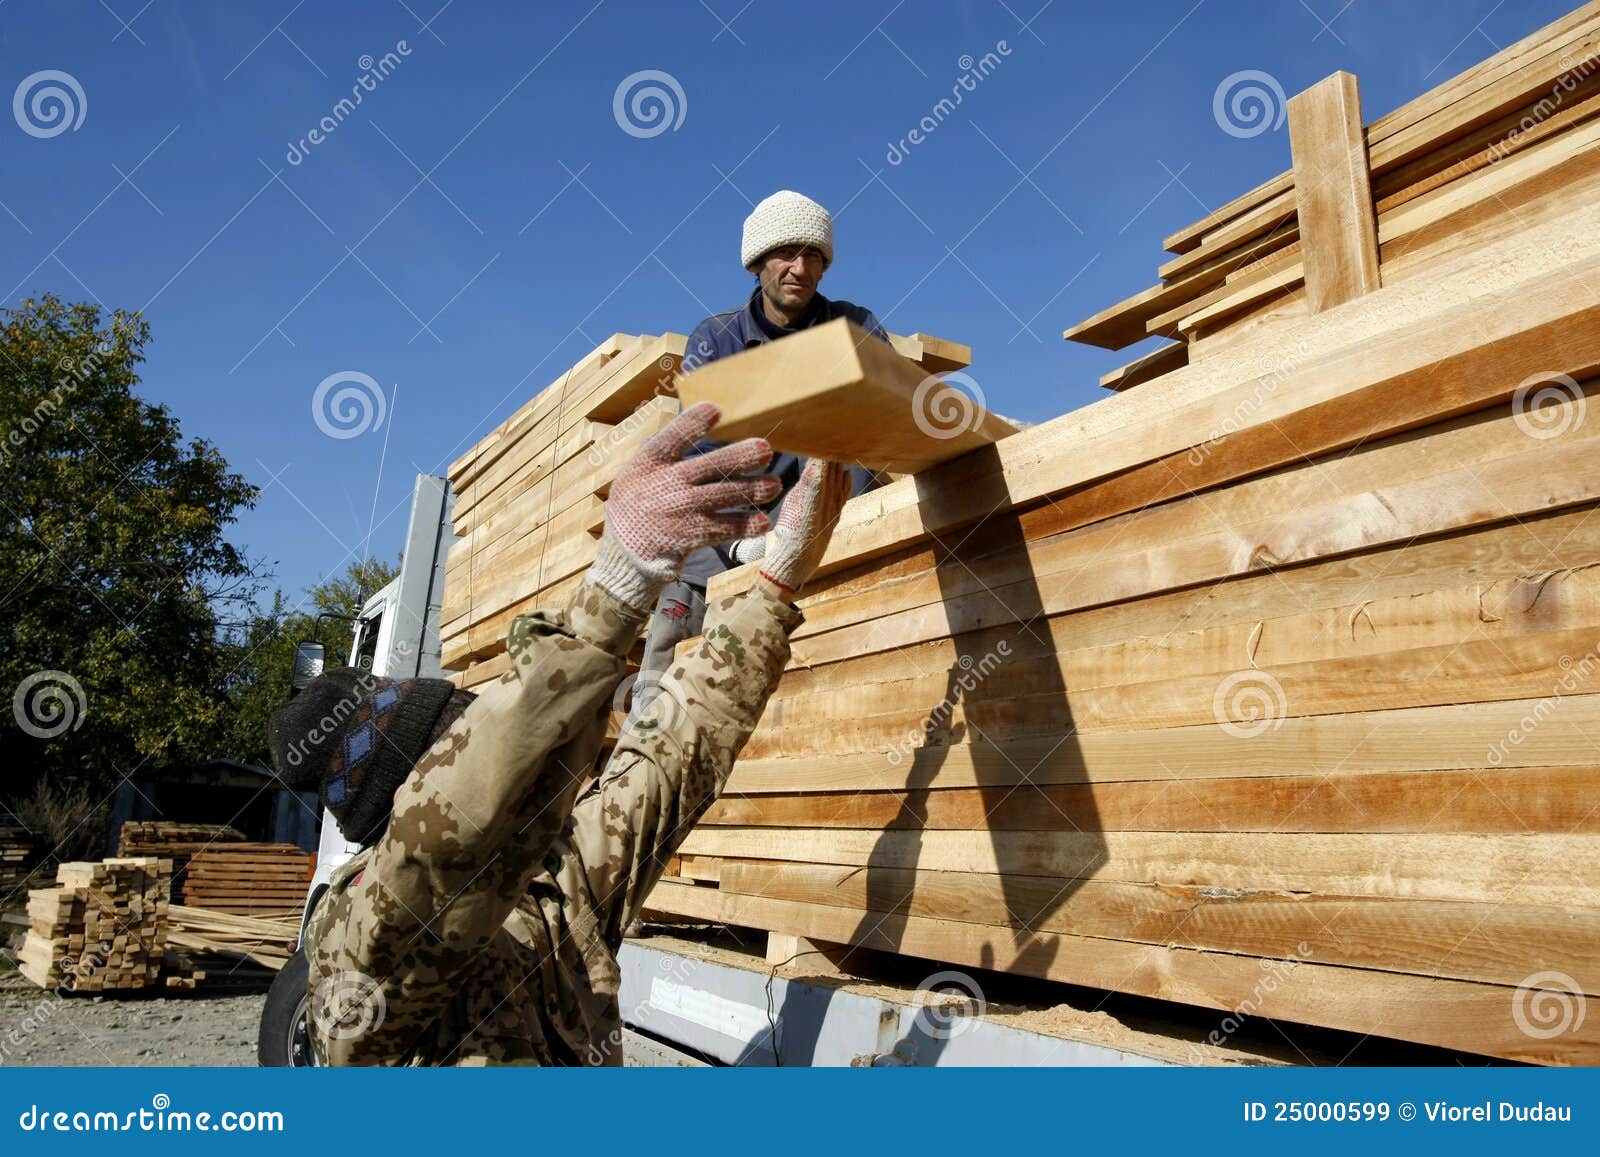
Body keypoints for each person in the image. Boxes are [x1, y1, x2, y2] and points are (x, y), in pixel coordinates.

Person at [274, 402, 852, 1065]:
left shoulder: (552, 890)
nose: (529, 779)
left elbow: (665, 761)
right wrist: (613, 596)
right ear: (415, 791)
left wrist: (773, 591)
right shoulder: (354, 951)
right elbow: (436, 846)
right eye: (485, 755)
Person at [628, 190, 888, 719]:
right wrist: (739, 544)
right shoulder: (717, 339)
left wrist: (809, 532)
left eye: (814, 256)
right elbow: (702, 457)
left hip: (814, 546)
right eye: (786, 254)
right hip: (715, 549)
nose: (801, 269)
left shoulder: (853, 329)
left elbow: (874, 427)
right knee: (662, 691)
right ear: (757, 262)